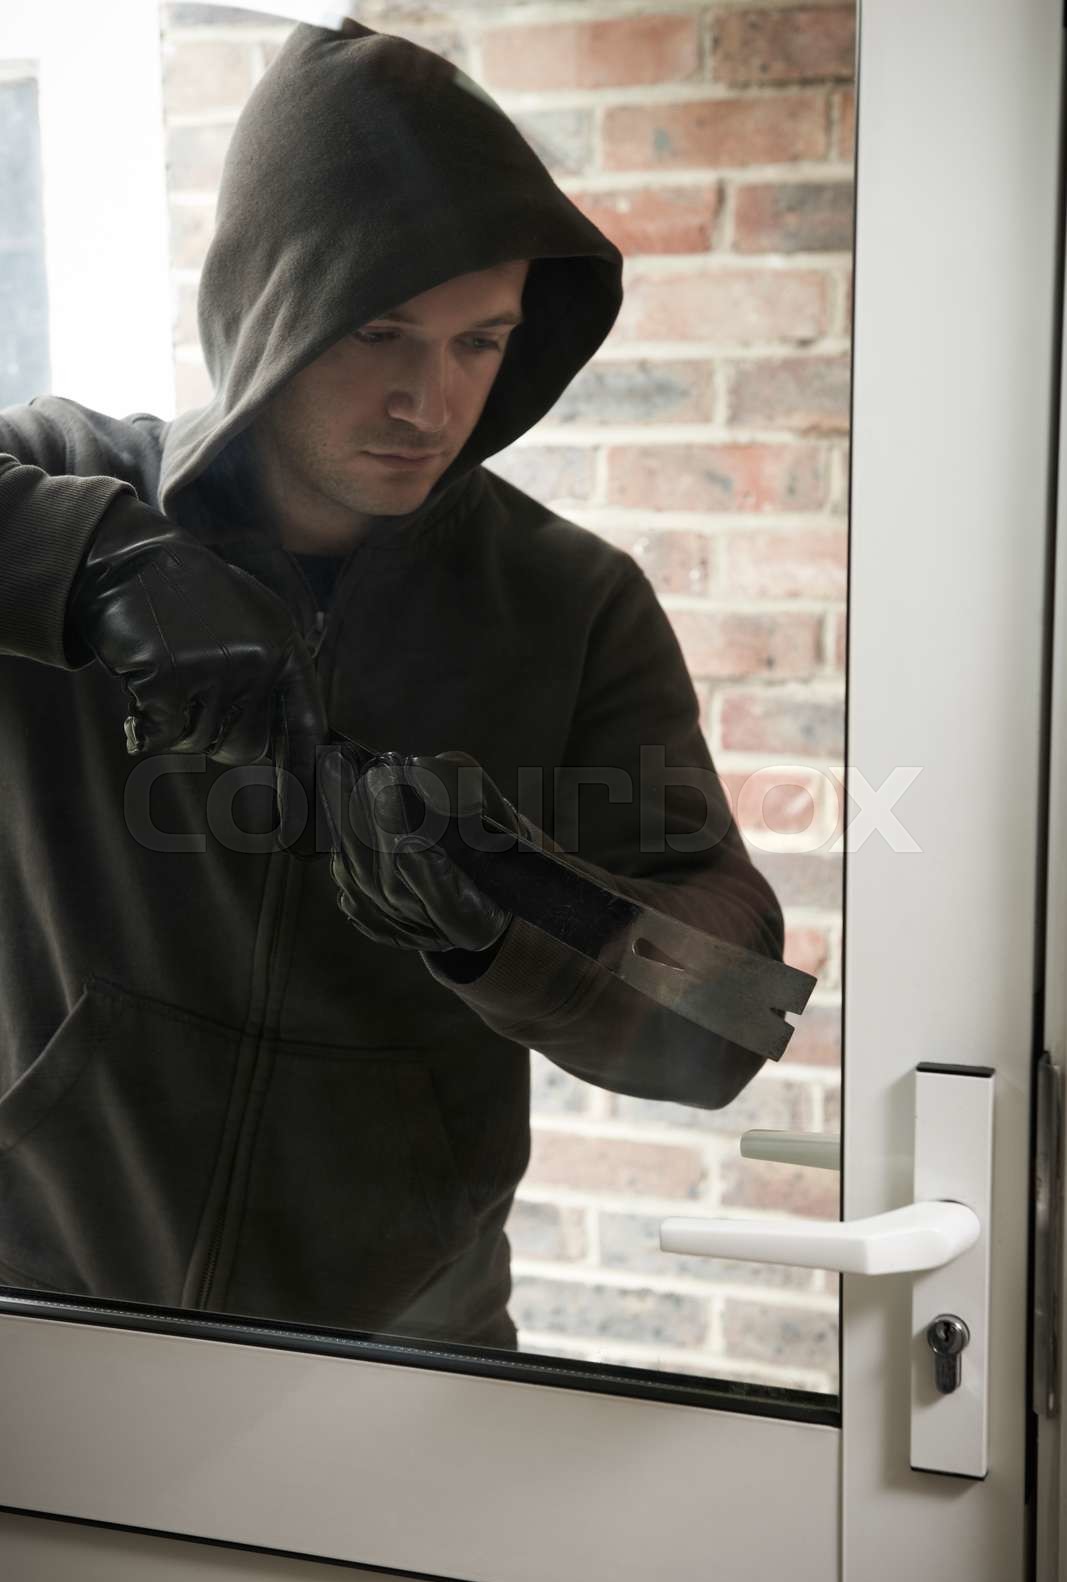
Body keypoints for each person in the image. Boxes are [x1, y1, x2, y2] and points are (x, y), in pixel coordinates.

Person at [0, 20, 785, 1349]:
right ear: (267, 309)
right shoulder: (68, 470)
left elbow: (723, 1020)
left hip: (406, 1364)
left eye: (481, 343)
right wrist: (97, 565)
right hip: (46, 1328)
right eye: (379, 333)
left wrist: (506, 910)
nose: (430, 398)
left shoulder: (572, 605)